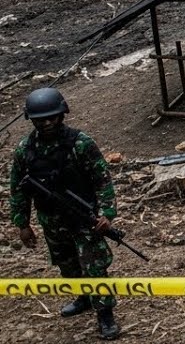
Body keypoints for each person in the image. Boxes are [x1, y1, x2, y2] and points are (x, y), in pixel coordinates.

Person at [8, 87, 121, 340]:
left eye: (52, 117)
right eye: (41, 119)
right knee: (66, 263)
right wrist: (22, 223)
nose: (47, 123)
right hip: (51, 219)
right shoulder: (25, 149)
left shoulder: (80, 143)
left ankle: (105, 313)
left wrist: (106, 213)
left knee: (94, 267)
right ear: (32, 120)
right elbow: (17, 189)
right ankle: (82, 297)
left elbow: (102, 180)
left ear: (62, 115)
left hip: (84, 219)